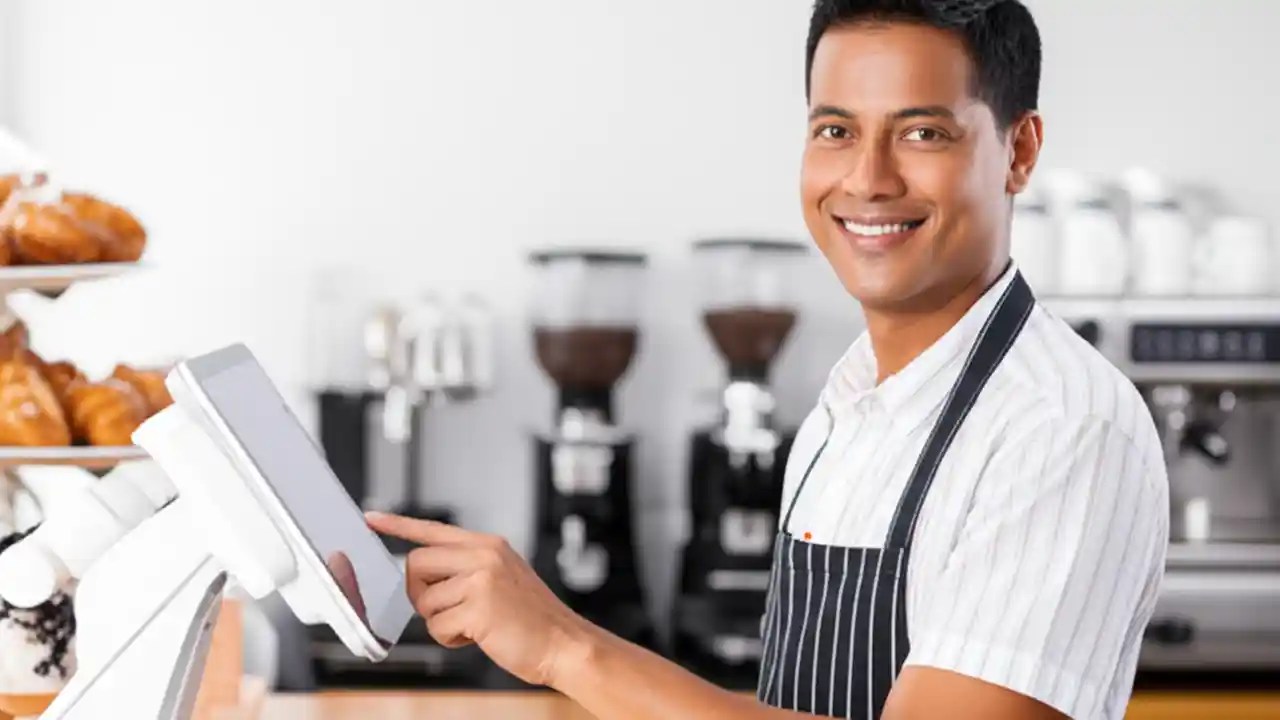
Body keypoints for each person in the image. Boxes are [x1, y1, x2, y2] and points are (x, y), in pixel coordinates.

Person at [366, 1, 1170, 718]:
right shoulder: (848, 407)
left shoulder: (1060, 429)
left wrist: (565, 649)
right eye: (836, 131)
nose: (868, 179)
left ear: (1020, 150)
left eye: (923, 132)